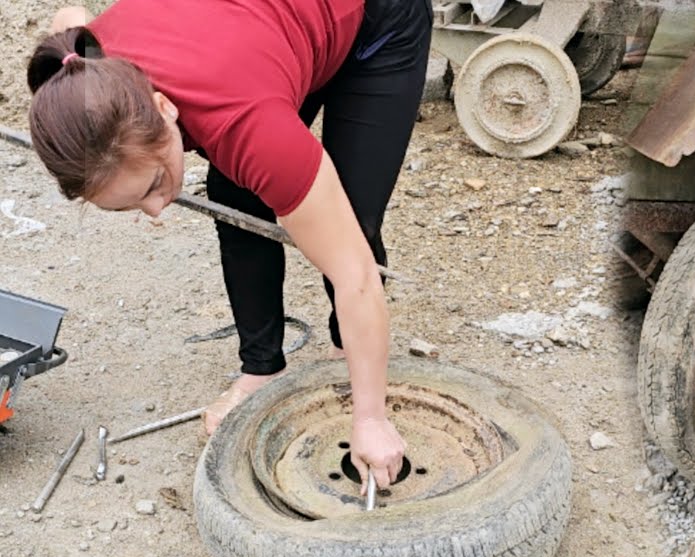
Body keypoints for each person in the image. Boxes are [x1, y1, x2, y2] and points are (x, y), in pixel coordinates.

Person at [28, 0, 433, 496]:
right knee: (235, 194)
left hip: (371, 21)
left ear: (163, 106)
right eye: (127, 206)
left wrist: (371, 418)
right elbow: (66, 18)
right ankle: (261, 366)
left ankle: (347, 352)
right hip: (254, 41)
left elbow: (357, 277)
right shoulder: (81, 65)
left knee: (347, 214)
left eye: (156, 184)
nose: (158, 211)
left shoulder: (246, 122)